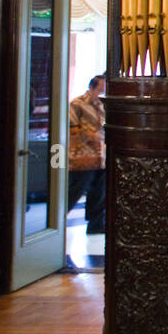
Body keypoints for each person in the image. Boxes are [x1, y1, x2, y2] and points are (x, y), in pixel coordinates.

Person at [67, 73, 106, 234]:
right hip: (83, 154)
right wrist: (92, 136)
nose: (102, 94)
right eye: (100, 90)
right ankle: (57, 219)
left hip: (101, 154)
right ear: (91, 87)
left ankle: (95, 224)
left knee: (99, 191)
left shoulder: (103, 105)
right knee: (77, 188)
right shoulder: (77, 104)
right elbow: (72, 129)